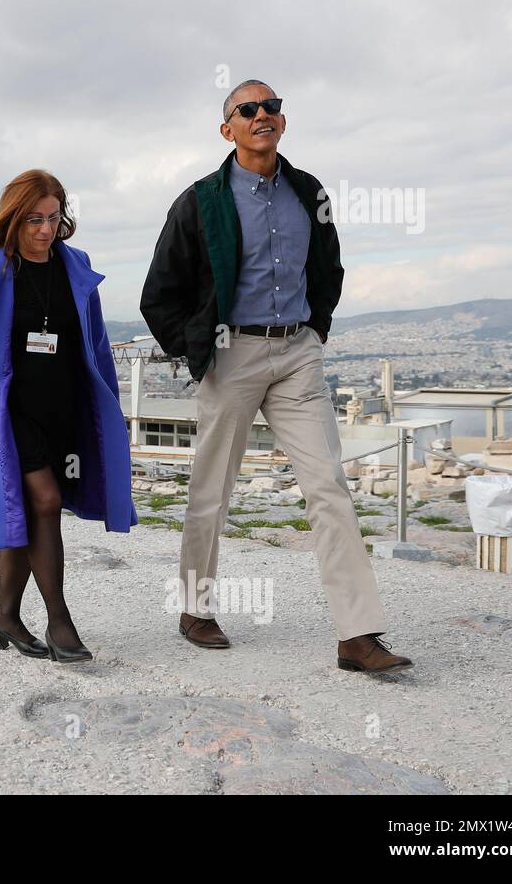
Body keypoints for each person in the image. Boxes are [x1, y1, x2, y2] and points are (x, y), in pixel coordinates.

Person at [140, 79, 412, 674]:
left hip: (297, 354)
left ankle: (357, 634)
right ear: (228, 128)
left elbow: (329, 266)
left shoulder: (308, 190)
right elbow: (159, 292)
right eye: (249, 109)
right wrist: (196, 353)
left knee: (329, 487)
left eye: (272, 107)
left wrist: (316, 329)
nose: (263, 115)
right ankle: (195, 608)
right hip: (230, 352)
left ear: (282, 122)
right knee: (211, 490)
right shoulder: (200, 201)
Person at [0, 169, 136, 663]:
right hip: (9, 413)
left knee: (25, 511)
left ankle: (5, 616)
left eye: (53, 218)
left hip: (62, 409)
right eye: (34, 219)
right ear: (14, 220)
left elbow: (96, 343)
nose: (44, 229)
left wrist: (104, 410)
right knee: (46, 500)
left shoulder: (77, 268)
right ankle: (60, 620)